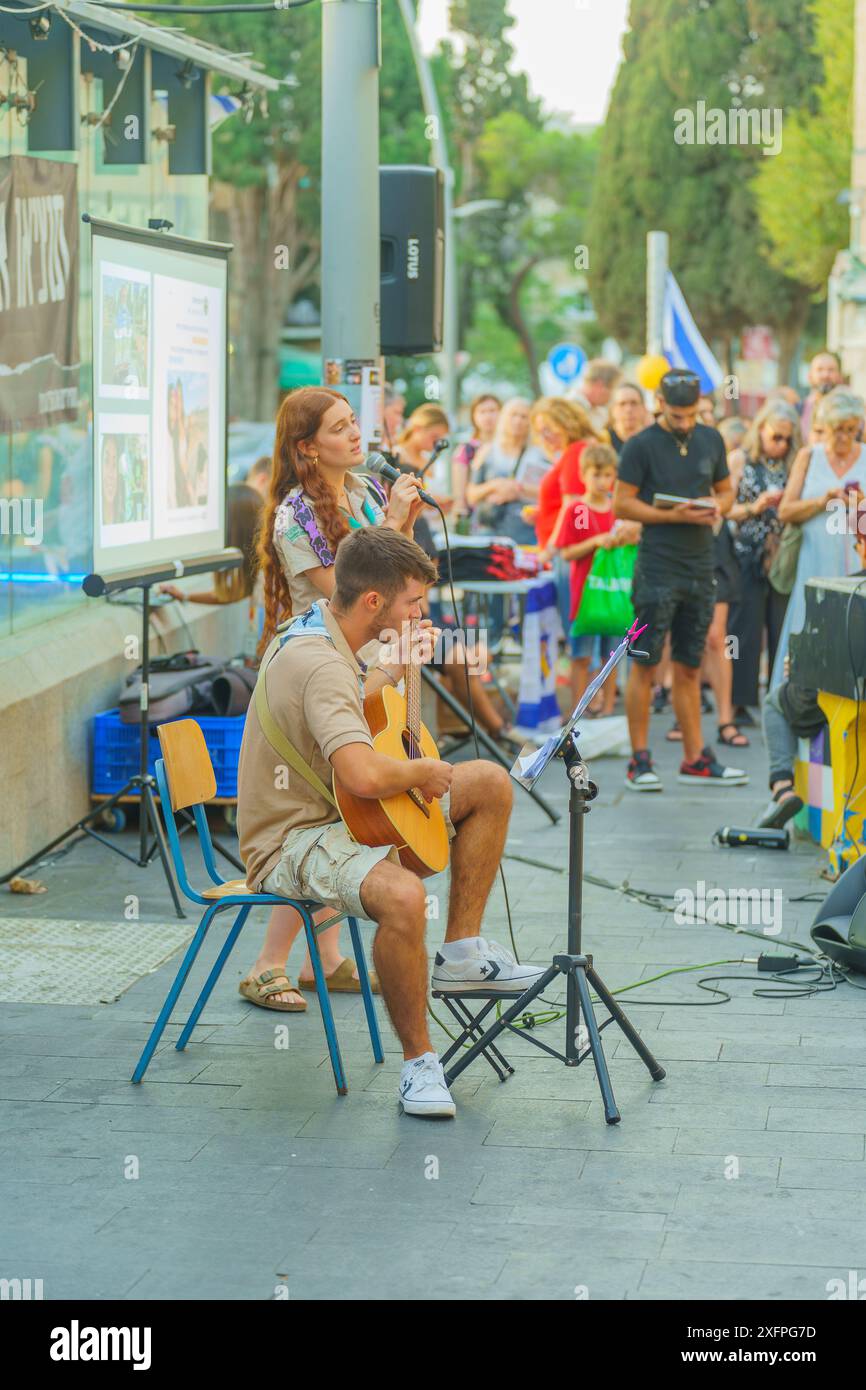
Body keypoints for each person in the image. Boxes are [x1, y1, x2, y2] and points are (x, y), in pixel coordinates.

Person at [236, 526, 545, 1117]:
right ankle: (419, 1065)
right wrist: (420, 771)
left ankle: (459, 954)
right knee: (402, 896)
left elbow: (353, 698)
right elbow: (363, 776)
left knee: (488, 782)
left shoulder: (323, 633)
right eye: (414, 603)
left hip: (336, 812)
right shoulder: (319, 662)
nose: (422, 612)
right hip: (291, 837)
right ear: (374, 603)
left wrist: (395, 663)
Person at [251, 387, 426, 1009]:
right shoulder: (294, 514)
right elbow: (354, 591)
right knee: (330, 804)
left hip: (370, 664)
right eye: (339, 428)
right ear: (306, 447)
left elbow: (396, 573)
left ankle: (324, 958)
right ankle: (269, 963)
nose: (356, 436)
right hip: (321, 671)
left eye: (356, 423)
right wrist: (393, 525)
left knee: (343, 810)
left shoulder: (365, 492)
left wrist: (397, 520)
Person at [613, 368, 747, 790]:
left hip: (700, 565)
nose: (685, 422)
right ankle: (639, 760)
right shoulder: (640, 445)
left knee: (690, 665)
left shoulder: (711, 438)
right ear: (660, 403)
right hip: (656, 567)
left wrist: (715, 505)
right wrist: (671, 515)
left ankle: (695, 759)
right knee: (645, 663)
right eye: (677, 415)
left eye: (690, 415)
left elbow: (726, 491)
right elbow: (622, 504)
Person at [771, 387, 866, 690]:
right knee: (807, 629)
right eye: (838, 430)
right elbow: (785, 510)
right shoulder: (808, 456)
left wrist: (861, 505)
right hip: (814, 561)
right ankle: (797, 704)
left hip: (855, 563)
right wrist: (822, 500)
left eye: (851, 430)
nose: (844, 437)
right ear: (824, 426)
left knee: (853, 638)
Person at [725, 401, 801, 725]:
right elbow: (725, 508)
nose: (781, 445)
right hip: (747, 554)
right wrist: (754, 507)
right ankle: (739, 703)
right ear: (761, 430)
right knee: (744, 631)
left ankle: (777, 698)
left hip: (782, 557)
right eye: (775, 437)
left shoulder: (796, 463)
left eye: (787, 439)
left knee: (781, 626)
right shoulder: (741, 459)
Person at [552, 442, 640, 708]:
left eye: (607, 475)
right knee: (581, 654)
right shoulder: (577, 509)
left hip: (615, 590)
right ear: (583, 475)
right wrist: (597, 541)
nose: (602, 481)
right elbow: (566, 553)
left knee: (611, 656)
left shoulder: (619, 508)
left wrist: (628, 535)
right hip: (584, 593)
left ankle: (608, 708)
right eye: (596, 474)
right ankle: (578, 711)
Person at [464, 397, 549, 544]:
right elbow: (471, 495)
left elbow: (548, 493)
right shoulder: (487, 452)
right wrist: (495, 485)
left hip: (526, 534)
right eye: (513, 415)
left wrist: (517, 490)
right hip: (489, 532)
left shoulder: (539, 454)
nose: (518, 421)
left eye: (524, 416)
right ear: (504, 418)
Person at [451, 393, 501, 520]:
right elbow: (460, 496)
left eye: (492, 411)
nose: (488, 416)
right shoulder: (466, 450)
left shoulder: (511, 448)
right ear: (474, 417)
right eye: (482, 412)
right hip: (477, 520)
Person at [566, 359, 622, 432]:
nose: (613, 394)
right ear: (599, 384)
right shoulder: (570, 406)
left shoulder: (600, 411)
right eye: (612, 388)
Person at [799, 350, 844, 440]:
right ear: (810, 376)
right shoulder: (799, 410)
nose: (825, 375)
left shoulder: (850, 410)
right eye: (820, 370)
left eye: (831, 370)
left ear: (839, 376)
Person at [608, 382, 651, 456]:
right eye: (622, 404)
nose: (628, 409)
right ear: (613, 410)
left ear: (644, 408)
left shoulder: (654, 441)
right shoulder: (603, 441)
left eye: (634, 403)